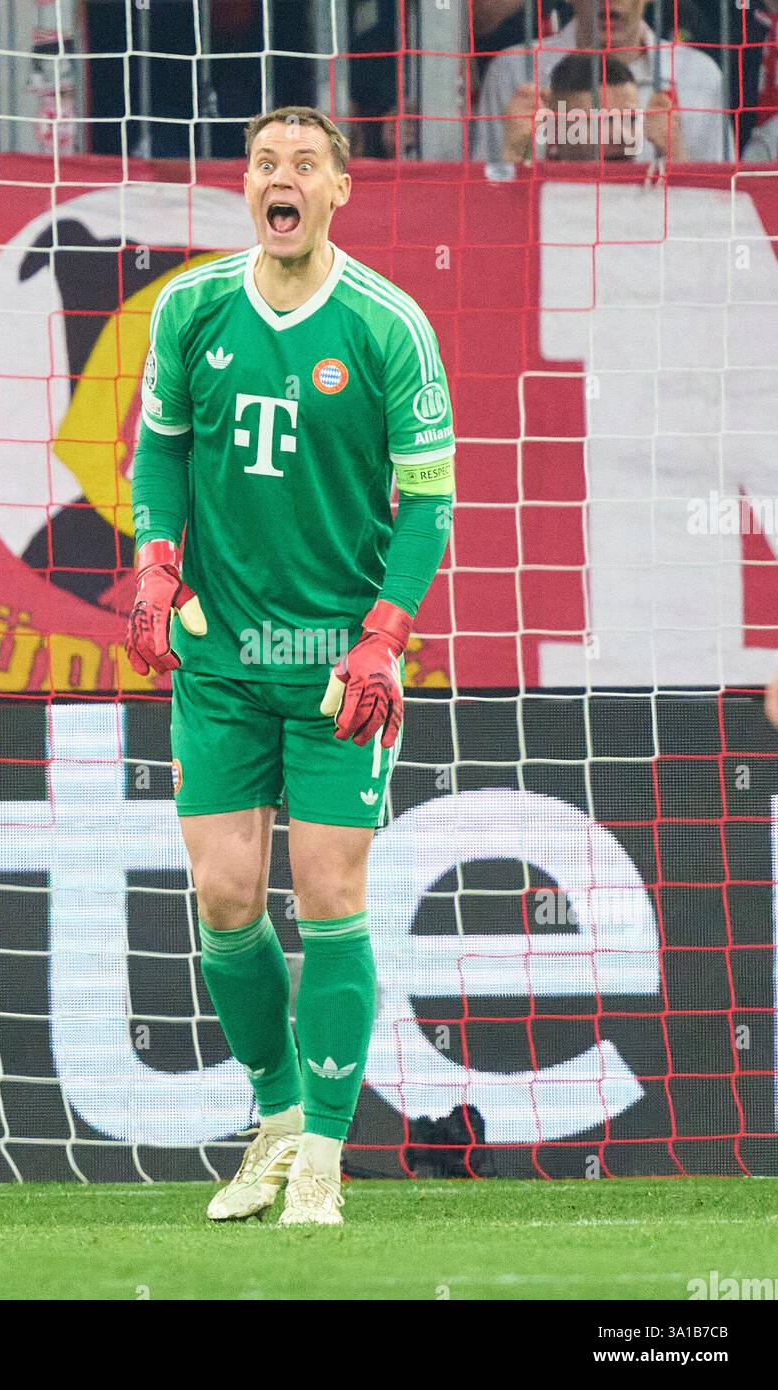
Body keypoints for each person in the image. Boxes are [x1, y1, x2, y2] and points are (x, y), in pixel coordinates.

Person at [125, 105, 454, 1226]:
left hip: (333, 671)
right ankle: (273, 1118)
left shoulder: (385, 326)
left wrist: (382, 636)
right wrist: (157, 560)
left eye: (303, 164)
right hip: (221, 655)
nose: (282, 177)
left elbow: (427, 502)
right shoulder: (190, 306)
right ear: (250, 187)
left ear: (337, 190)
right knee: (222, 896)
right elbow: (158, 450)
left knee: (330, 895)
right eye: (265, 162)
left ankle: (322, 1149)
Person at [472, 0, 732, 164]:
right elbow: (485, 203)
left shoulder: (699, 76)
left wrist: (675, 155)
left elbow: (720, 208)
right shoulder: (515, 71)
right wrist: (511, 154)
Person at [499, 52, 682, 162]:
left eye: (630, 119)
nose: (624, 136)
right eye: (600, 121)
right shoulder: (530, 188)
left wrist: (676, 154)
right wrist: (512, 153)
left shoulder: (656, 187)